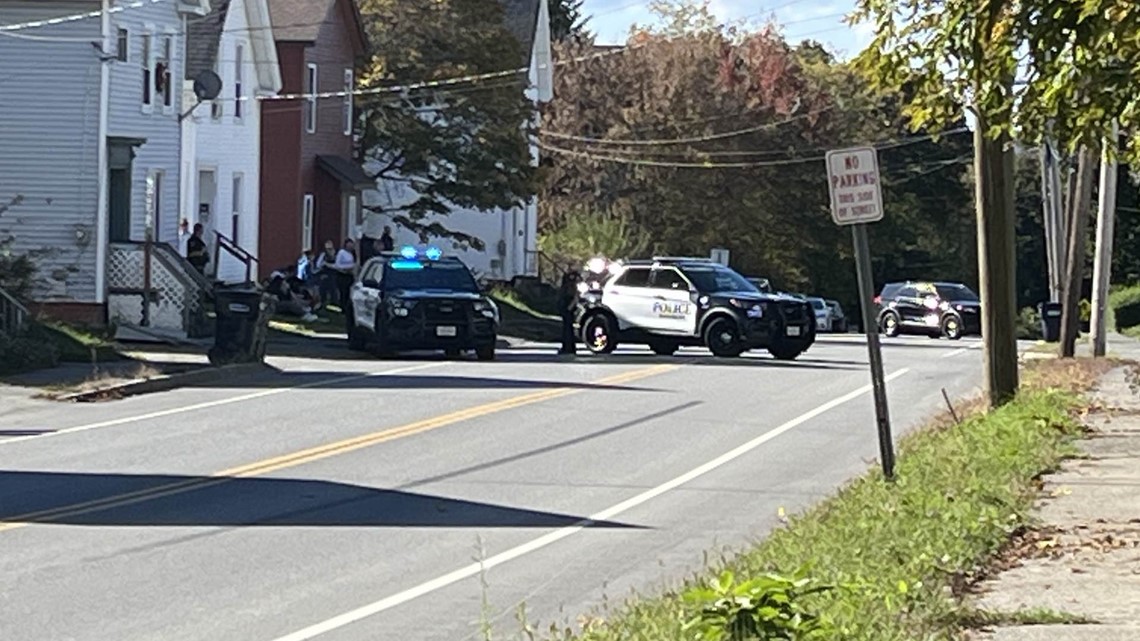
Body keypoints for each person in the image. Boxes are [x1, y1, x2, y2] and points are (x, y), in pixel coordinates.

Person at [557, 269, 580, 355]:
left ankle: (569, 348)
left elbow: (575, 298)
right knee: (566, 329)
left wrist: (570, 307)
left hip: (569, 308)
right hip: (566, 307)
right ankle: (567, 347)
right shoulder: (569, 285)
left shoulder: (571, 286)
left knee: (568, 330)